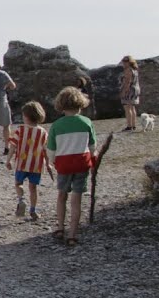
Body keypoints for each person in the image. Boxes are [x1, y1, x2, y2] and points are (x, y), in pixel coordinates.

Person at [47, 86, 97, 247]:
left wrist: (52, 162)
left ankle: (60, 227)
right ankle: (73, 234)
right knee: (76, 199)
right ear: (80, 104)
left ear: (61, 105)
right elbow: (92, 146)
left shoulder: (56, 125)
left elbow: (51, 149)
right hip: (81, 163)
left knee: (62, 196)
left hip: (64, 164)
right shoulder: (86, 123)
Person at [6, 101, 52, 221]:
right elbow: (46, 150)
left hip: (22, 163)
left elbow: (13, 146)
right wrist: (48, 164)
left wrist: (8, 160)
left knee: (18, 183)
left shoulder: (20, 130)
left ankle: (21, 199)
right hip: (36, 165)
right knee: (33, 188)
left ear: (25, 116)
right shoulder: (43, 132)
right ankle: (33, 210)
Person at [119, 55, 141, 131]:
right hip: (135, 89)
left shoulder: (128, 70)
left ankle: (129, 126)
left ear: (130, 62)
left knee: (127, 108)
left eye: (126, 61)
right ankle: (133, 125)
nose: (124, 63)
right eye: (123, 61)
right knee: (132, 107)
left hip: (129, 90)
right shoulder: (135, 70)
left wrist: (124, 92)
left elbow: (127, 82)